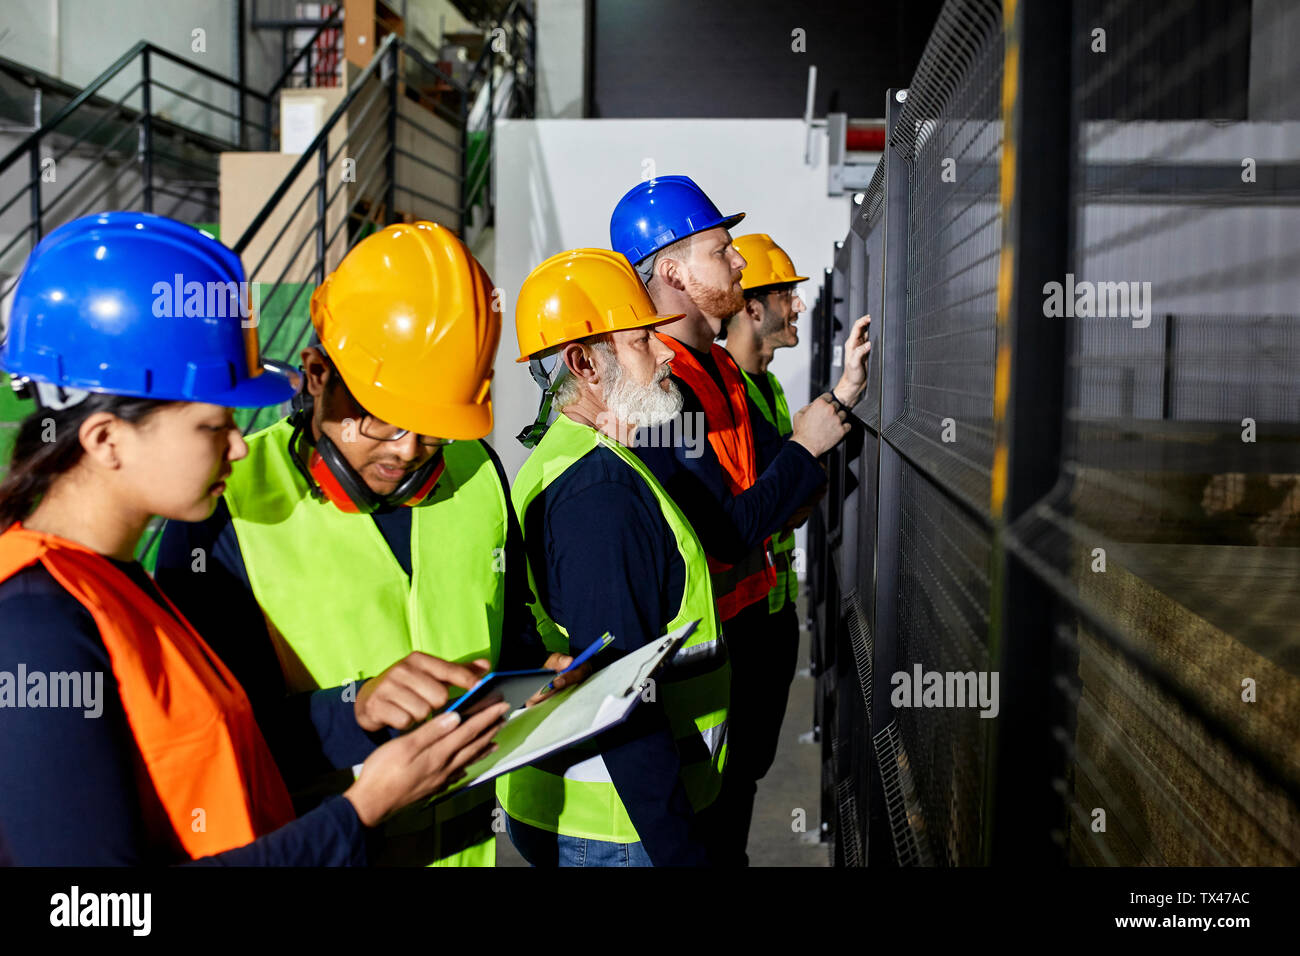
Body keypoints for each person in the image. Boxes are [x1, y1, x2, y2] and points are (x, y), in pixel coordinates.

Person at [0, 211, 509, 865]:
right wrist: (358, 815)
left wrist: (356, 710)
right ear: (107, 440)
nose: (240, 446)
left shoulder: (114, 587)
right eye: (214, 426)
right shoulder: (36, 629)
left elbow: (230, 759)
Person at [154, 222, 573, 867]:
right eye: (380, 421)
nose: (406, 453)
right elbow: (208, 747)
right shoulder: (223, 508)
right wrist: (357, 708)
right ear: (316, 374)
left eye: (432, 429)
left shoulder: (478, 472)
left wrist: (540, 670)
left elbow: (510, 624)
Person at [609, 176, 871, 864]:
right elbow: (727, 532)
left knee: (732, 813)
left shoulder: (720, 372)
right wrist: (807, 449)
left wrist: (809, 443)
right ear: (672, 271)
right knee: (708, 820)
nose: (740, 264)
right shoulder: (659, 388)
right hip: (702, 649)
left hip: (748, 630)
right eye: (722, 250)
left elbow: (774, 498)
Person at [498, 247, 728, 866]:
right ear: (584, 363)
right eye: (642, 340)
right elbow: (622, 696)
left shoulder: (581, 456)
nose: (665, 354)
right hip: (619, 829)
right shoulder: (598, 494)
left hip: (604, 815)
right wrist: (681, 852)